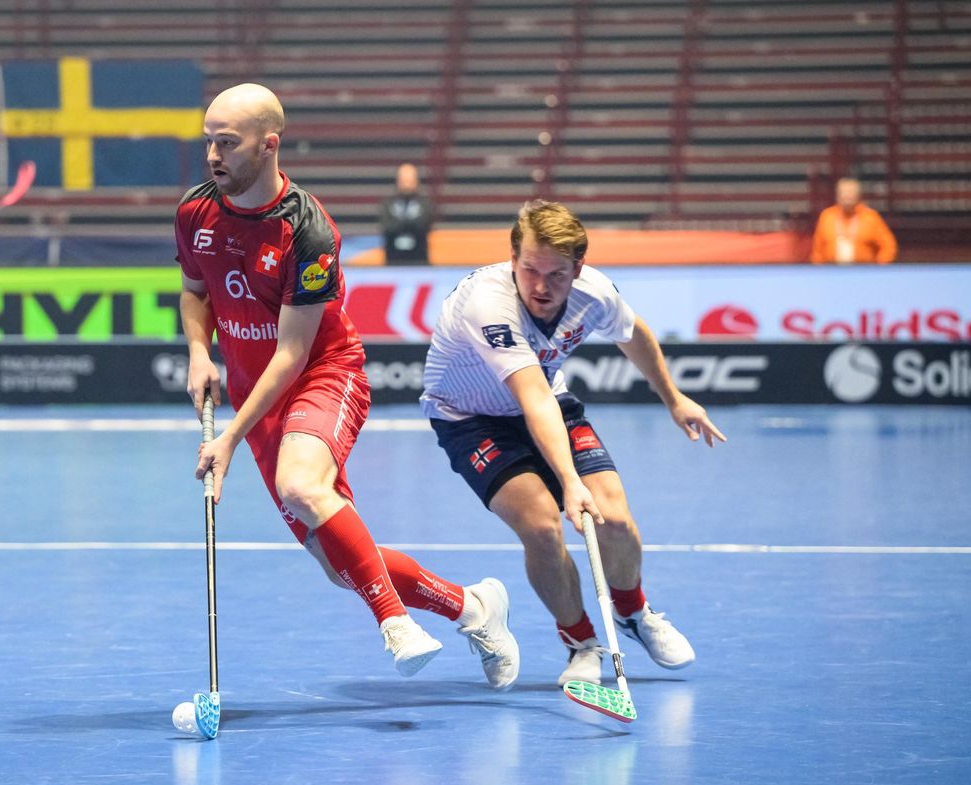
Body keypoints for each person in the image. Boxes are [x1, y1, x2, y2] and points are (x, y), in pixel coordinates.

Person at [175, 83, 519, 687]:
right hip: (257, 398)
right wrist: (199, 352)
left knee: (301, 485)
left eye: (226, 143)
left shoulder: (308, 233)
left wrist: (227, 437)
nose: (213, 156)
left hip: (321, 376)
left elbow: (292, 352)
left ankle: (394, 624)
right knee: (340, 567)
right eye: (208, 142)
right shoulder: (195, 213)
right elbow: (195, 290)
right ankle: (473, 607)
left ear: (268, 145)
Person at [420, 199, 727, 687]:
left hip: (547, 399)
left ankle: (633, 612)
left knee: (616, 518)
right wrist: (568, 481)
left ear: (578, 268)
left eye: (557, 274)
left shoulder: (594, 291)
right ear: (513, 259)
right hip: (471, 417)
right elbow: (531, 396)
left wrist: (673, 398)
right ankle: (582, 642)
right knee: (543, 525)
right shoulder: (489, 305)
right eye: (530, 270)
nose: (541, 286)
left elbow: (633, 333)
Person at [810, 177, 897, 264]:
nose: (847, 195)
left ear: (858, 195)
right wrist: (819, 270)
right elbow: (817, 249)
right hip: (832, 272)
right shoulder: (827, 216)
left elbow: (889, 246)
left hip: (864, 272)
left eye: (851, 192)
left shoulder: (870, 217)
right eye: (844, 192)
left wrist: (880, 267)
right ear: (837, 195)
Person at [379, 162, 434, 265]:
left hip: (420, 262)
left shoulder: (425, 204)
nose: (406, 184)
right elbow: (387, 226)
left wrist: (401, 224)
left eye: (410, 180)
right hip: (393, 262)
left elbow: (424, 225)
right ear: (398, 181)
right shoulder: (388, 204)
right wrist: (409, 224)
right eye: (404, 180)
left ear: (416, 181)